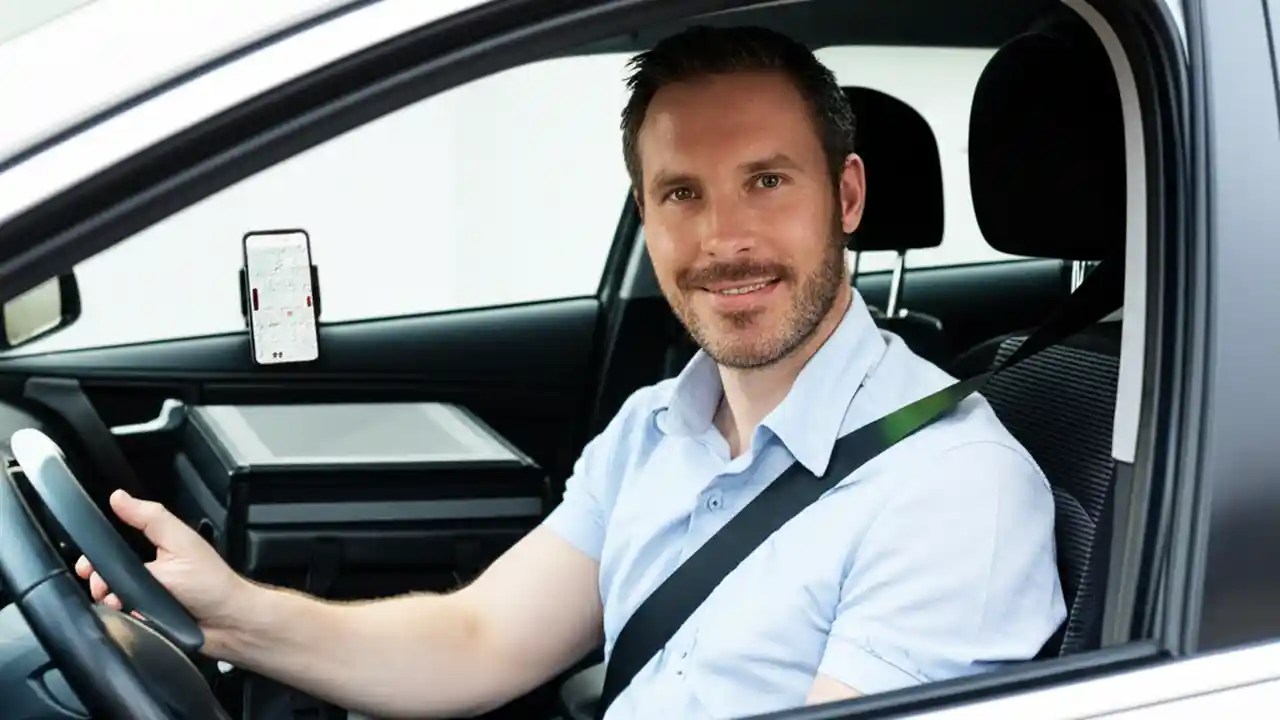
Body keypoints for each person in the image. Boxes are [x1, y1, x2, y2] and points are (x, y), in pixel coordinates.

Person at [78, 25, 1064, 720]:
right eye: (682, 192)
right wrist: (232, 616)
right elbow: (478, 640)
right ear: (646, 214)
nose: (723, 238)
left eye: (766, 181)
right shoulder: (652, 429)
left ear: (844, 195)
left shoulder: (947, 493)